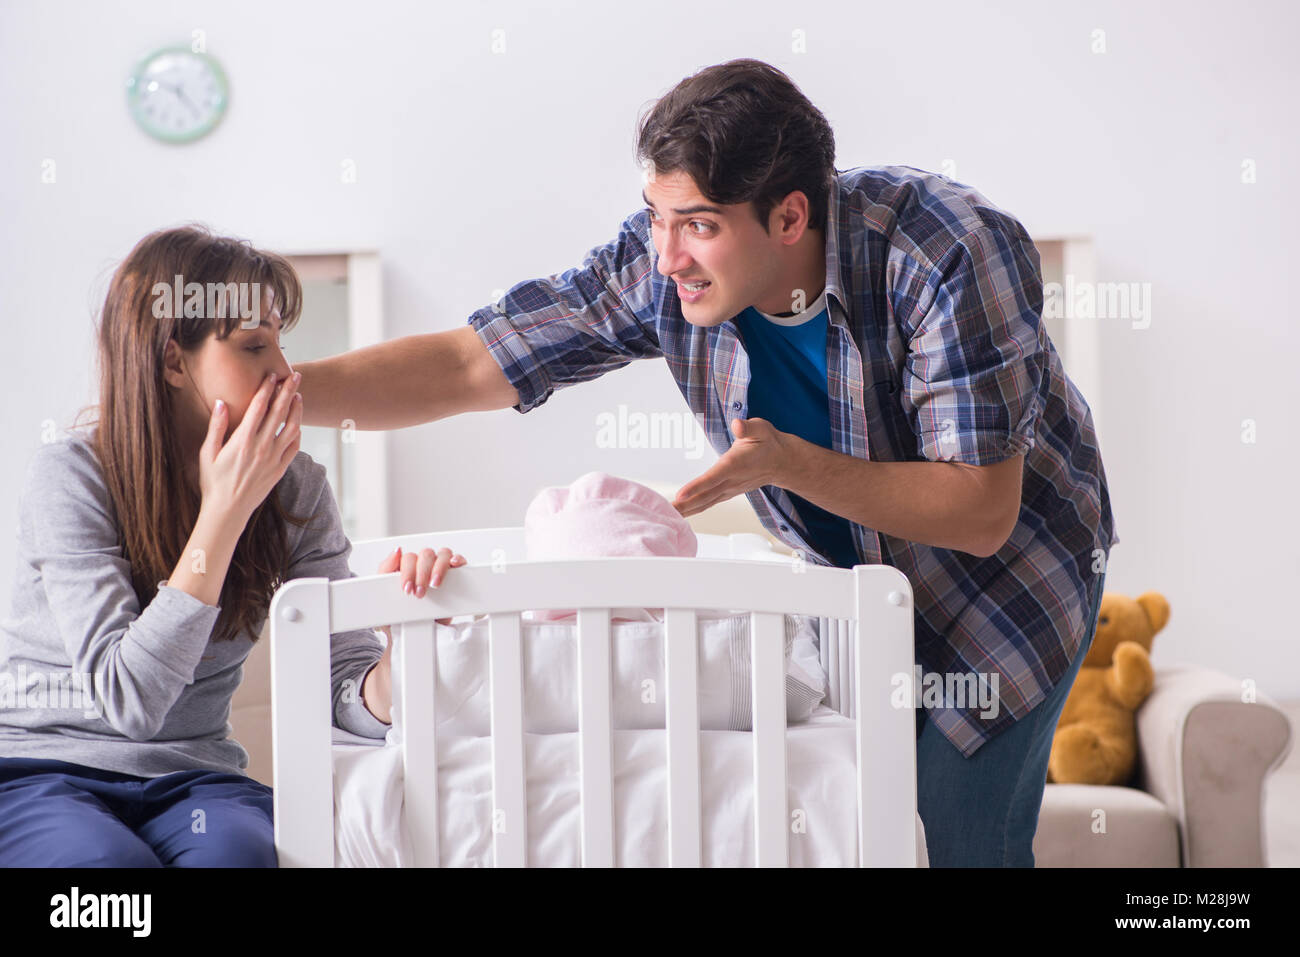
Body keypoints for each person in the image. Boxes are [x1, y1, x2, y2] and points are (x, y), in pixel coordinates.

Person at [294, 58, 1118, 866]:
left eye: (698, 225)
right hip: (862, 594)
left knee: (954, 841)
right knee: (860, 832)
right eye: (655, 216)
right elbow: (473, 363)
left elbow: (980, 509)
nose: (665, 255)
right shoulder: (663, 267)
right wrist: (282, 396)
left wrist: (791, 464)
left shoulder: (947, 250)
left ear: (790, 218)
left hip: (1008, 586)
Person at [0, 225, 463, 867]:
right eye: (253, 346)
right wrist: (224, 511)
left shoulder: (297, 490)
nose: (283, 371)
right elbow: (128, 702)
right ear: (171, 360)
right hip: (43, 773)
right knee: (107, 875)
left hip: (196, 779)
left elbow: (343, 693)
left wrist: (405, 649)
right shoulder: (72, 477)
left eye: (279, 343)